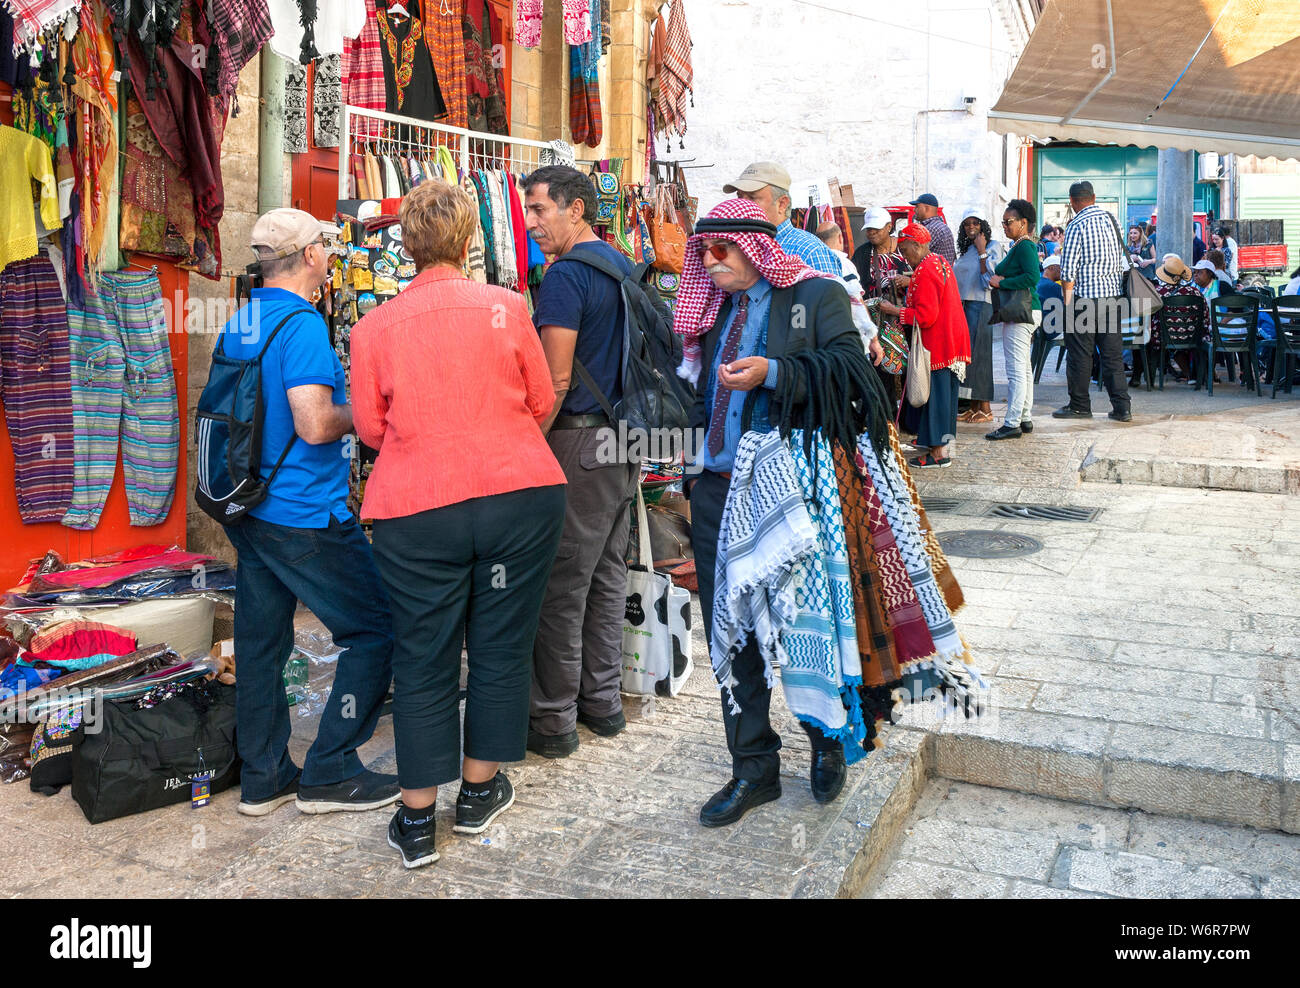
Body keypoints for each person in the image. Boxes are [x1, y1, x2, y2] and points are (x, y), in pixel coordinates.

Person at [349, 181, 568, 869]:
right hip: (518, 495)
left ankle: (417, 820)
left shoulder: (372, 328)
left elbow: (369, 430)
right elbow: (539, 399)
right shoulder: (508, 308)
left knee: (423, 653)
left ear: (405, 244)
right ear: (472, 239)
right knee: (502, 644)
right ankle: (477, 794)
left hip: (418, 507)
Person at [677, 197, 867, 827]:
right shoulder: (710, 304)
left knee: (802, 624)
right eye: (703, 250)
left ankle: (827, 742)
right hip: (716, 488)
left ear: (758, 245)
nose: (711, 261)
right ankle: (752, 768)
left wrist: (775, 373)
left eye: (722, 249)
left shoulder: (814, 296)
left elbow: (852, 375)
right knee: (728, 630)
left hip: (788, 489)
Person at [217, 208, 398, 818]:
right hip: (304, 512)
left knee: (262, 642)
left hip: (248, 506)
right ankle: (330, 769)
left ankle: (263, 779)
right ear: (313, 256)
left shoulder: (240, 320)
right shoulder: (303, 326)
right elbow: (315, 422)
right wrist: (375, 417)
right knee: (376, 631)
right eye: (325, 244)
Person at [522, 165, 641, 759]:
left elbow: (556, 376)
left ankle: (552, 720)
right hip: (625, 442)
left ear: (576, 209)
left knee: (560, 585)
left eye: (541, 209)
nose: (531, 221)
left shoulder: (566, 275)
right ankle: (604, 705)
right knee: (606, 575)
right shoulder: (621, 263)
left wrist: (527, 444)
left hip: (579, 442)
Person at [878, 222, 971, 468]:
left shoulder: (925, 270)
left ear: (917, 246)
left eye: (906, 251)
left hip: (938, 344)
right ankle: (936, 445)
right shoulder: (937, 261)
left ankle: (938, 454)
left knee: (937, 397)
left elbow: (925, 316)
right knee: (944, 397)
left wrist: (895, 310)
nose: (905, 258)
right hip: (951, 340)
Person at [1054, 180, 1132, 422]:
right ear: (1094, 197)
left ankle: (1079, 406)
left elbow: (1067, 272)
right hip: (1112, 299)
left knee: (1079, 355)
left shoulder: (1076, 224)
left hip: (1084, 300)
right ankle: (1122, 408)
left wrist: (1067, 305)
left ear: (1073, 201)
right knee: (1112, 356)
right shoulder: (1113, 220)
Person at [722, 161, 841, 276]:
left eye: (752, 198)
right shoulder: (739, 246)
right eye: (740, 197)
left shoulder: (810, 251)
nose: (741, 205)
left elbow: (832, 295)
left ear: (782, 204)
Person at [987, 199, 1040, 440]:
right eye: (1003, 222)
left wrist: (1003, 282)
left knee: (1016, 370)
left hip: (1023, 311)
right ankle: (1024, 417)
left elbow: (1032, 277)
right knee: (1024, 369)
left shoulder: (1024, 246)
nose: (1005, 226)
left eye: (1008, 222)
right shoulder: (1020, 245)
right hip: (1026, 311)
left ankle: (1012, 422)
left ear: (1023, 223)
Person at [852, 206, 912, 408]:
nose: (872, 233)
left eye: (876, 229)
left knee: (907, 366)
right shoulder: (862, 254)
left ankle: (906, 415)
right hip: (876, 321)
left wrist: (907, 282)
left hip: (904, 318)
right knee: (880, 364)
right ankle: (886, 414)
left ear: (889, 227)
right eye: (869, 229)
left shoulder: (905, 250)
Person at [953, 207, 1001, 425]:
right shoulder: (966, 251)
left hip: (982, 305)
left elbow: (989, 281)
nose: (971, 227)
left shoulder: (993, 247)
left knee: (980, 355)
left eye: (975, 223)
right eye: (967, 224)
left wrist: (982, 250)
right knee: (968, 357)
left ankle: (986, 408)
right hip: (964, 307)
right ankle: (973, 406)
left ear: (983, 225)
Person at [816, 220, 885, 361]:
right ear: (840, 238)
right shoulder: (843, 263)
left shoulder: (812, 262)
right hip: (851, 339)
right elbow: (857, 301)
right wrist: (874, 339)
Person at [1150, 253, 1209, 383]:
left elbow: (1151, 316)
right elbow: (1206, 316)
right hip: (1194, 336)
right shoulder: (1195, 292)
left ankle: (1187, 375)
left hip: (1166, 338)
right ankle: (1195, 375)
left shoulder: (1158, 293)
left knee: (1154, 339)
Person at [909, 192, 956, 264]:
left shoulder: (932, 228)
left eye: (917, 207)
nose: (914, 210)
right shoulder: (938, 225)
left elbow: (913, 254)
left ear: (927, 208)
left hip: (936, 274)